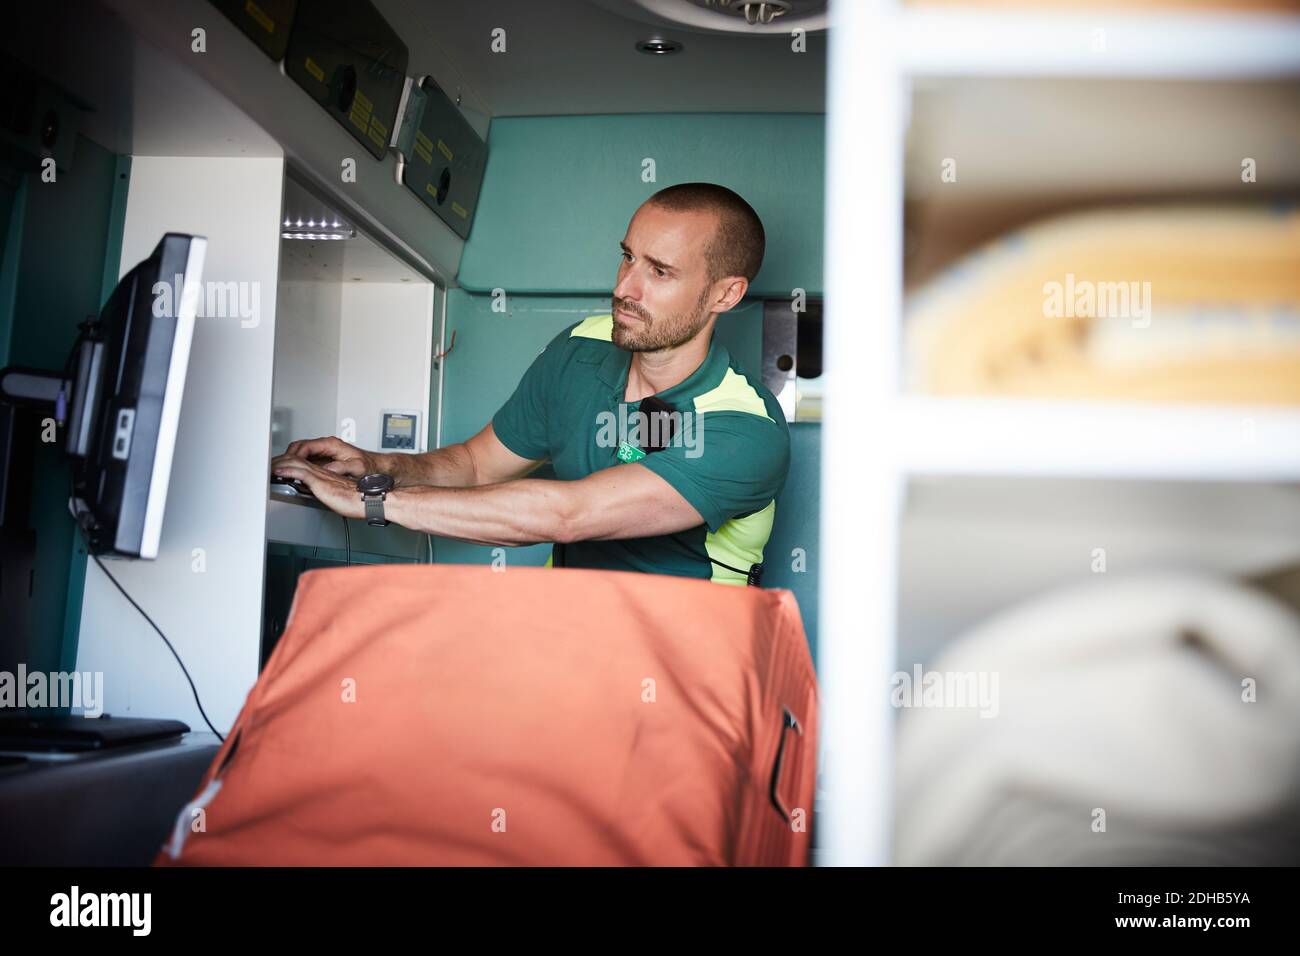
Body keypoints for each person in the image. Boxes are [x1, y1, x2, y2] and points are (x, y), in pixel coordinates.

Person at [271, 182, 790, 585]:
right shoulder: (583, 348)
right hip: (566, 646)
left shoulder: (744, 426)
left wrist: (372, 501)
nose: (624, 288)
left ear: (726, 294)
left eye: (660, 272)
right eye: (628, 256)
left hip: (689, 674)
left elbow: (569, 514)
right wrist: (378, 468)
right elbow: (476, 465)